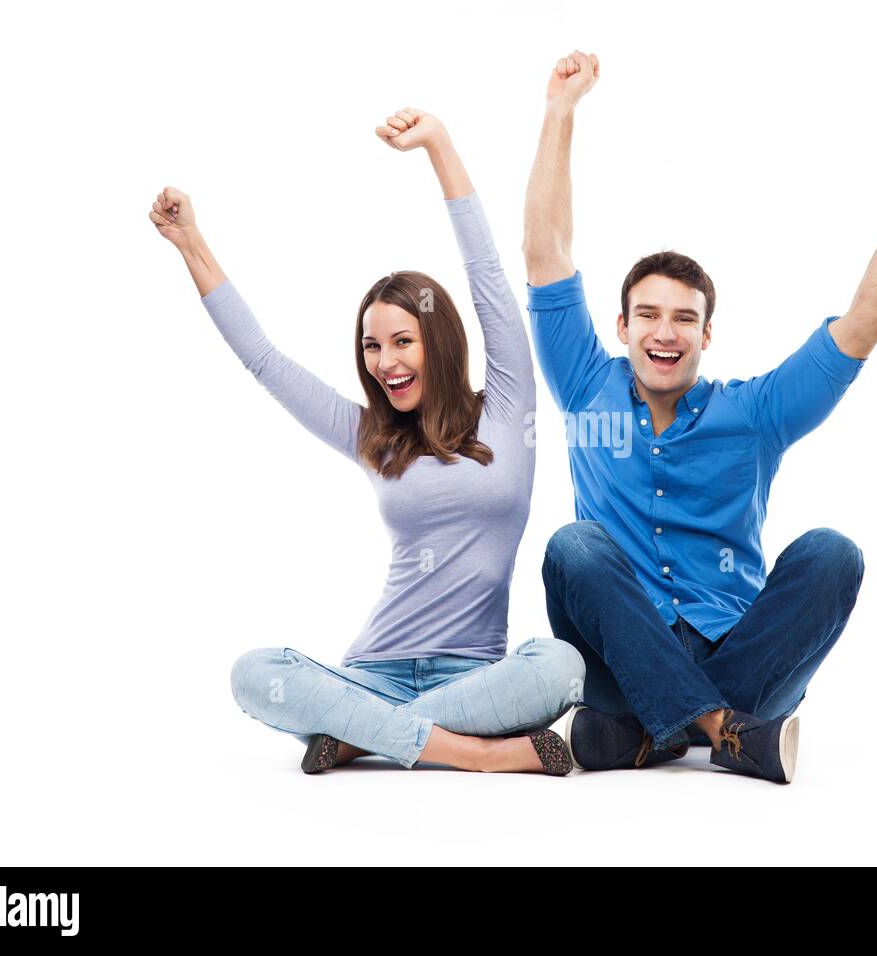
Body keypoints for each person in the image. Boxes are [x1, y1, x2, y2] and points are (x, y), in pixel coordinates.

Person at [523, 52, 877, 783]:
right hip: (623, 658)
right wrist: (561, 112)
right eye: (648, 315)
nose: (666, 331)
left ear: (706, 334)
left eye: (684, 318)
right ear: (621, 325)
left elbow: (861, 329)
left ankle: (647, 736)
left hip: (740, 655)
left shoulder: (754, 413)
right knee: (574, 545)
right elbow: (544, 251)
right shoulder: (587, 384)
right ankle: (726, 732)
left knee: (833, 552)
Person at [150, 107, 584, 776]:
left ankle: (359, 739)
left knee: (560, 668)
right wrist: (191, 244)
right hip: (371, 673)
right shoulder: (375, 438)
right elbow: (265, 361)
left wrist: (439, 144)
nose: (385, 362)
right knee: (253, 673)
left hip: (472, 679)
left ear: (436, 342)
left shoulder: (506, 405)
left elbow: (488, 276)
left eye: (402, 341)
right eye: (372, 346)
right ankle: (477, 756)